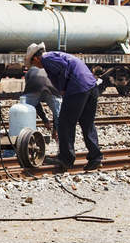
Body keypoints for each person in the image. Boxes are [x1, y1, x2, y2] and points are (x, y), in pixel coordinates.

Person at [25, 42, 102, 171]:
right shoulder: (56, 55)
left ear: (36, 58)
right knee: (87, 124)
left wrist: (63, 88)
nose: (35, 66)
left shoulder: (46, 58)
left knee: (65, 124)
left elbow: (63, 69)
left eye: (33, 63)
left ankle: (66, 160)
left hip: (77, 88)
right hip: (91, 86)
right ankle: (96, 158)